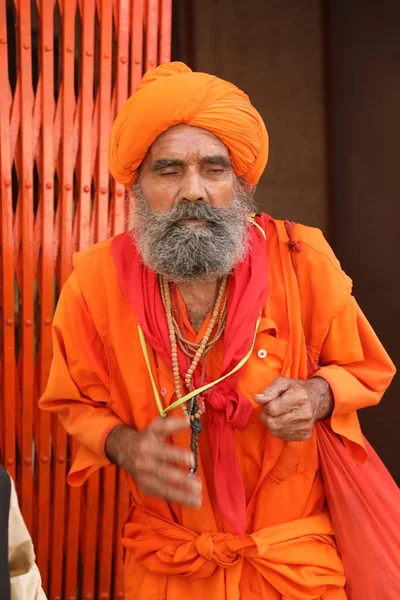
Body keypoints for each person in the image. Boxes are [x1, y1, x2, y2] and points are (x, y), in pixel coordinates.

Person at [39, 62, 395, 599]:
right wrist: (123, 445)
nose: (194, 192)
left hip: (293, 570)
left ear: (240, 182)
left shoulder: (303, 259)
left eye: (213, 170)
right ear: (137, 184)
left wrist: (316, 395)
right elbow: (74, 402)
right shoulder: (93, 281)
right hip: (167, 569)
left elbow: (363, 368)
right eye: (168, 171)